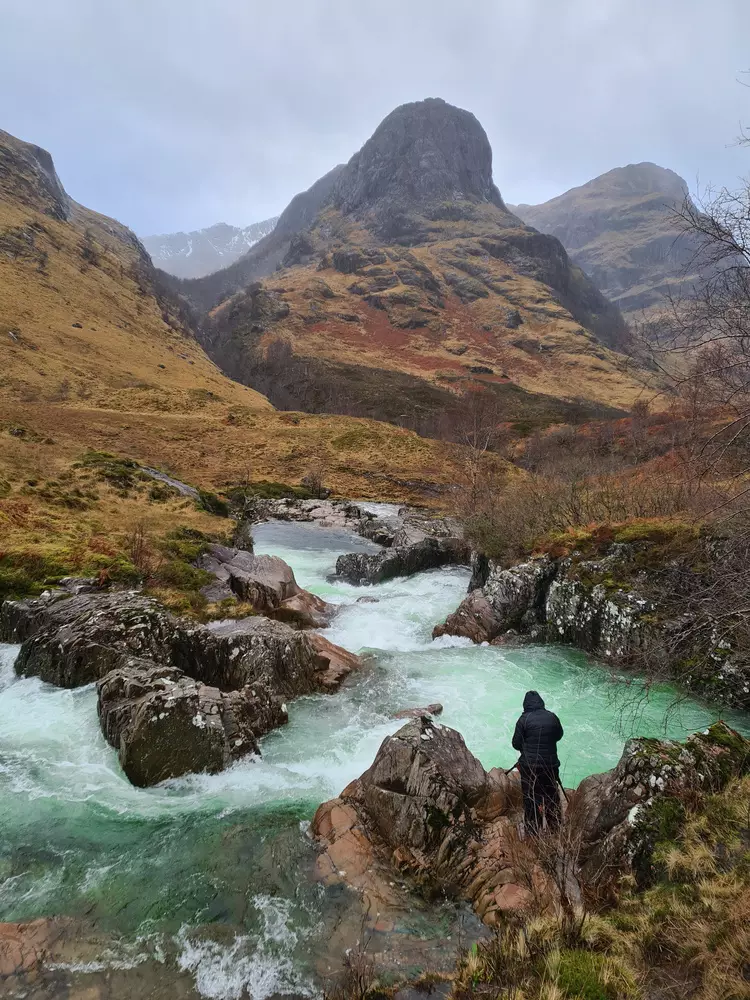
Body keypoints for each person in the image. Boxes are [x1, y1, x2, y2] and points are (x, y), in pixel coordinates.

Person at [511, 690, 564, 834]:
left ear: (525, 705)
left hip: (530, 767)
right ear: (541, 702)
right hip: (551, 766)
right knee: (551, 796)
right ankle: (555, 828)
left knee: (531, 798)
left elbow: (516, 744)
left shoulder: (524, 719)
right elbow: (559, 735)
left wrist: (527, 746)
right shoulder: (552, 717)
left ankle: (533, 831)